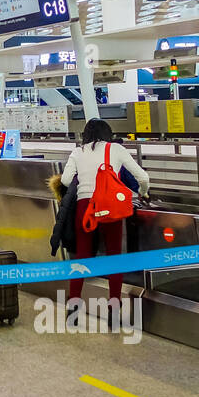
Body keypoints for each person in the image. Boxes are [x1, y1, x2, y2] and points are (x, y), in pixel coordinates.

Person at [61, 118, 149, 306]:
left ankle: (74, 302)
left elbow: (66, 180)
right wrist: (142, 192)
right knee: (114, 256)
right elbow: (143, 177)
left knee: (82, 255)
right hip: (109, 206)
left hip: (85, 207)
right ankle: (114, 305)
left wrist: (84, 182)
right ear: (108, 134)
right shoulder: (115, 149)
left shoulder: (77, 151)